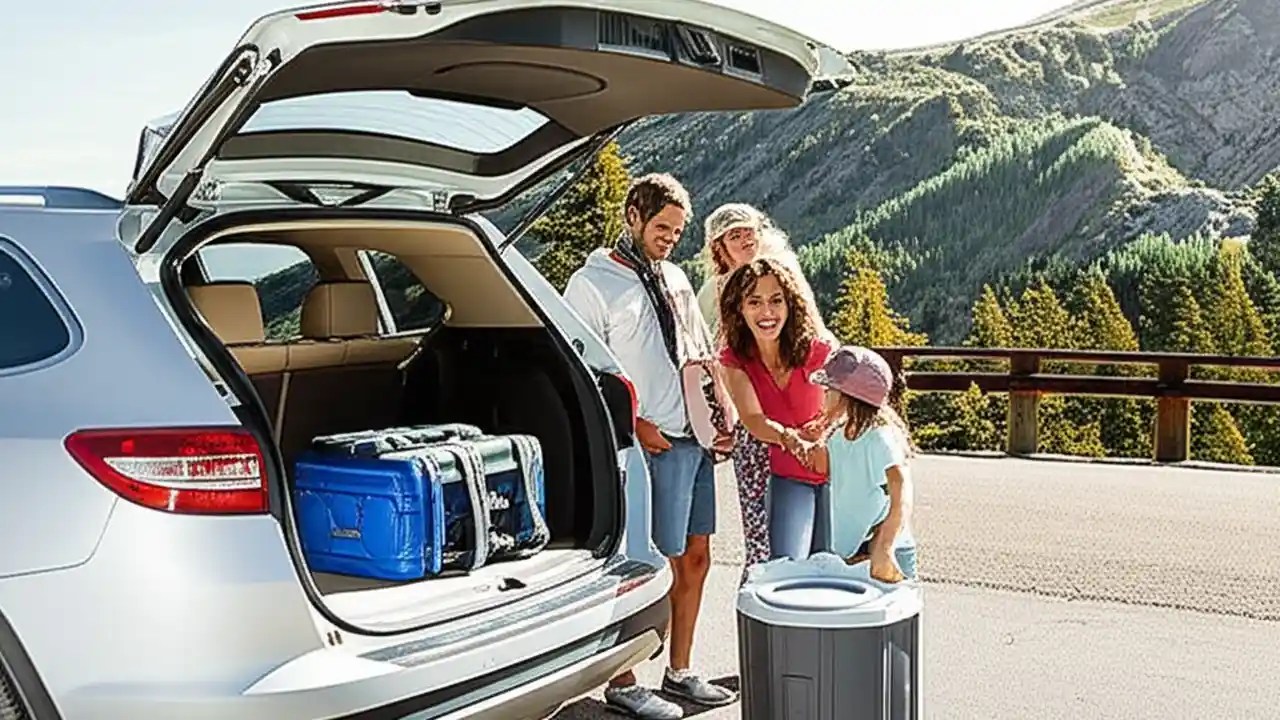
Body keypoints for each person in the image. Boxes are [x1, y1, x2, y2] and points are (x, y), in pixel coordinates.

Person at [563, 173, 737, 719]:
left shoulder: (676, 278)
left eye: (679, 230)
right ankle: (623, 678)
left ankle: (680, 672)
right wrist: (637, 426)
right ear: (632, 216)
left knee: (697, 558)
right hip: (648, 443)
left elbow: (699, 351)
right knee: (645, 563)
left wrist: (719, 414)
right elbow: (584, 372)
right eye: (662, 227)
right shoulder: (593, 284)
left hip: (694, 438)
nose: (670, 238)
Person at [695, 203, 829, 578]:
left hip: (799, 415)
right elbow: (706, 353)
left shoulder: (783, 272)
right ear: (718, 246)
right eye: (732, 235)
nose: (743, 239)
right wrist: (716, 415)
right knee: (764, 545)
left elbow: (814, 327)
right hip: (749, 414)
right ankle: (761, 609)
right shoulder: (714, 291)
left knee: (821, 548)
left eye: (748, 231)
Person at [718, 257, 836, 561]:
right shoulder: (735, 359)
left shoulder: (818, 350)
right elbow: (753, 418)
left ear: (790, 305)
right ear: (739, 308)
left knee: (832, 570)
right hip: (787, 474)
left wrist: (824, 427)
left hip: (836, 473)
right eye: (754, 302)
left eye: (776, 301)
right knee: (784, 569)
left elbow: (846, 405)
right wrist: (791, 439)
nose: (767, 312)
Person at [808, 345, 919, 583]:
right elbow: (827, 471)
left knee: (895, 618)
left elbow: (902, 489)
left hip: (886, 554)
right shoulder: (838, 436)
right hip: (852, 552)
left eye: (829, 389)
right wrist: (805, 440)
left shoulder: (879, 437)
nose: (823, 393)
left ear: (849, 395)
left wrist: (885, 545)